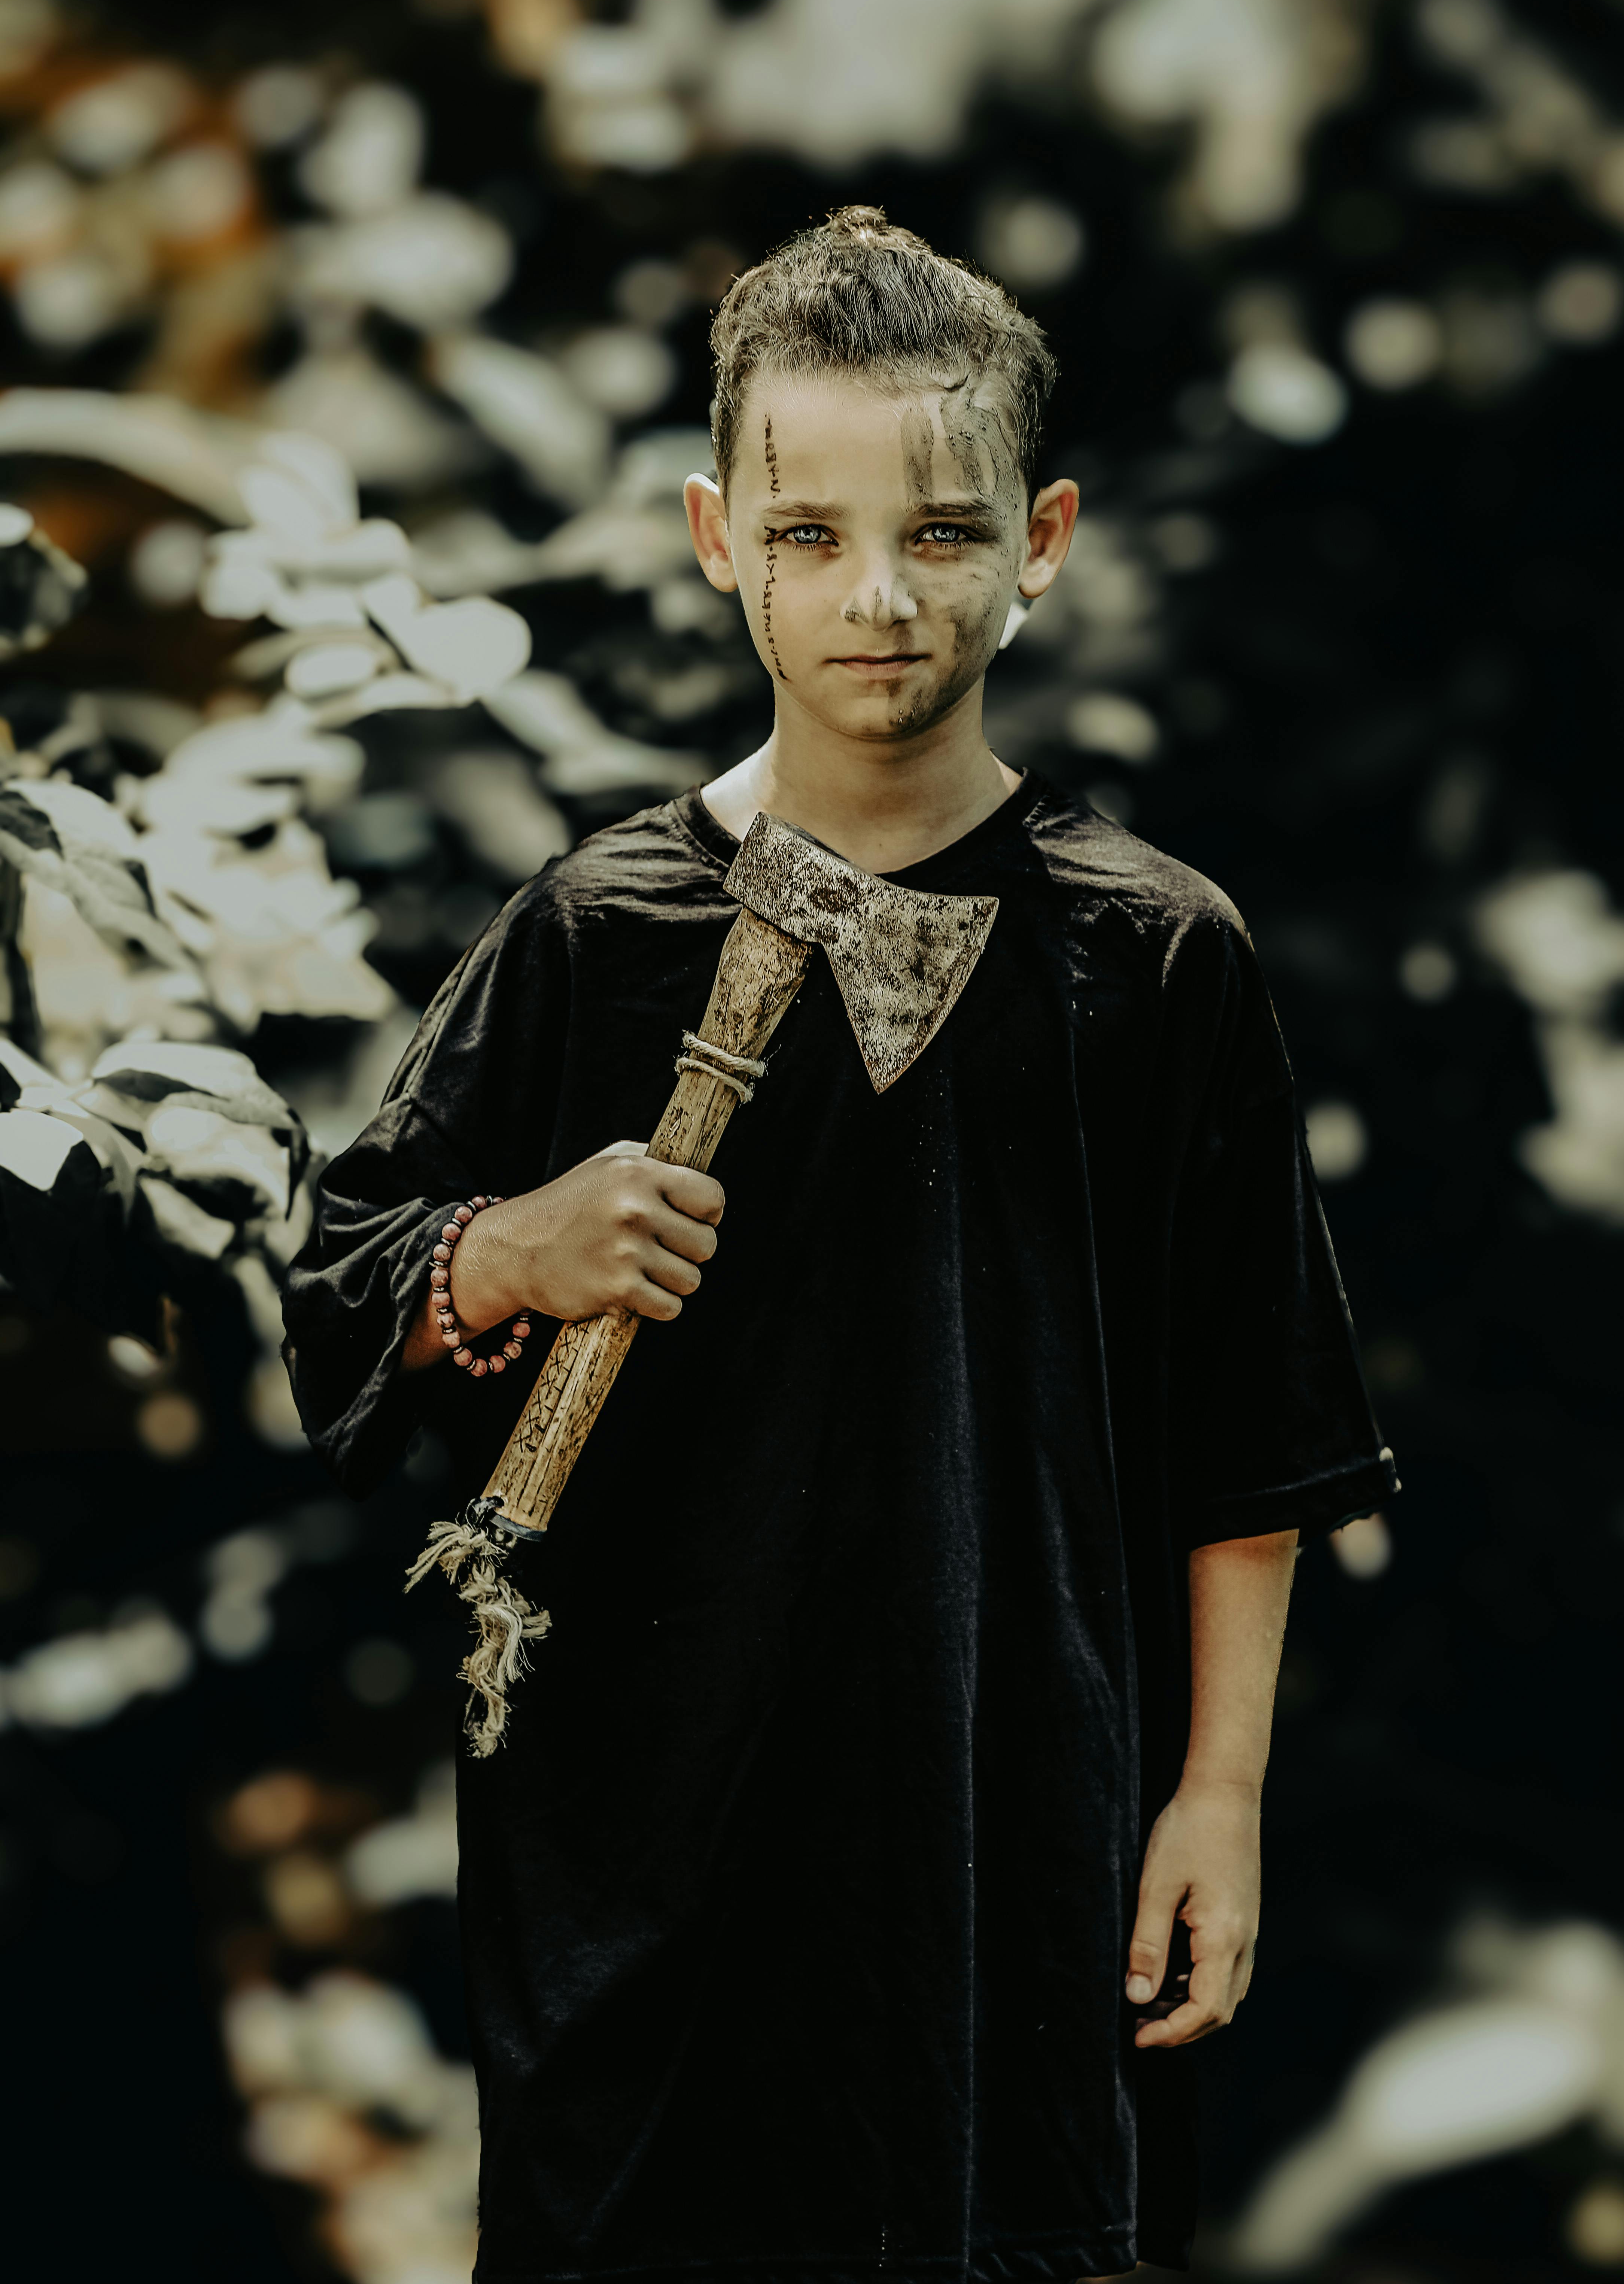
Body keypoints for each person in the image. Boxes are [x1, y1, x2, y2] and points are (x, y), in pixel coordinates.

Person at [282, 205, 1398, 2283]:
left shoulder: (1152, 959)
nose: (878, 595)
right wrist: (512, 1251)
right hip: (648, 1868)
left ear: (1043, 537)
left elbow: (1261, 1437)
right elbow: (339, 1288)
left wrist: (1216, 1795)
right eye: (809, 534)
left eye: (945, 533)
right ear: (719, 537)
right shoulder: (599, 933)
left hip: (1022, 1856)